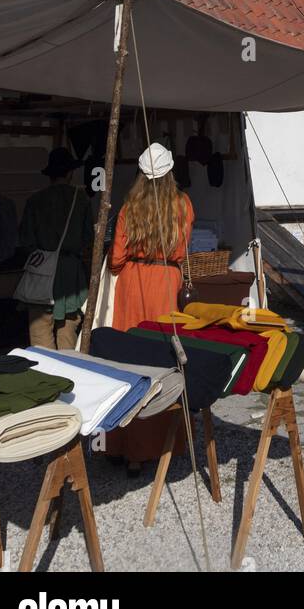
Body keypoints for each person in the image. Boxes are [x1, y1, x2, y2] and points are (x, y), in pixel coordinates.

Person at [105, 142, 194, 473]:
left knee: (127, 363)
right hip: (166, 284)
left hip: (133, 283)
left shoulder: (130, 208)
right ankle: (162, 445)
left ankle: (123, 446)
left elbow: (116, 259)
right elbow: (182, 250)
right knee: (164, 363)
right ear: (170, 172)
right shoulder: (183, 204)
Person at [18, 149, 93, 350]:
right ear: (70, 173)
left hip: (41, 272)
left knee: (40, 335)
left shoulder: (34, 201)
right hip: (70, 276)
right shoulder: (81, 200)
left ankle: (46, 377)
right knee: (67, 335)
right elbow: (89, 239)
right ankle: (68, 378)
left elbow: (25, 241)